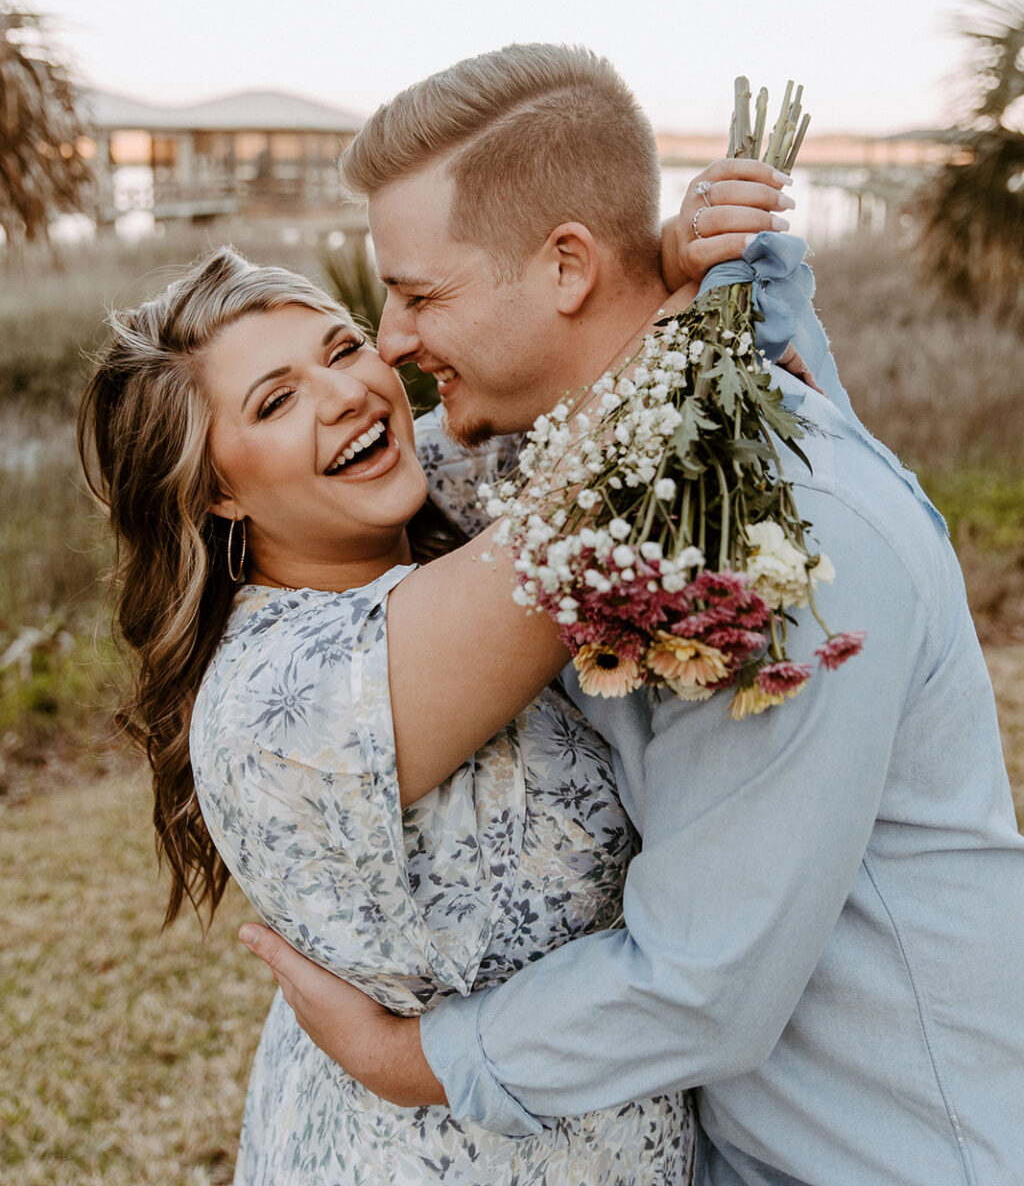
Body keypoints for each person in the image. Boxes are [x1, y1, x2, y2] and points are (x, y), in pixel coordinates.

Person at [239, 43, 1024, 1186]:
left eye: (417, 293)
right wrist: (672, 279)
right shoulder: (594, 465)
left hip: (886, 1146)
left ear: (565, 267)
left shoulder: (775, 537)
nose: (394, 341)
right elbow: (422, 497)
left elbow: (702, 982)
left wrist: (412, 1059)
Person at [79, 57, 792, 1184]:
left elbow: (561, 363)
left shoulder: (449, 498)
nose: (353, 390)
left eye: (339, 346)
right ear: (216, 491)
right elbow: (593, 481)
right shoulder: (277, 699)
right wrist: (663, 281)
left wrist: (638, 261)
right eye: (274, 401)